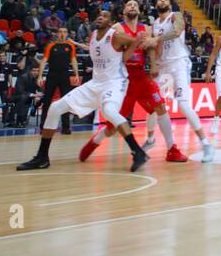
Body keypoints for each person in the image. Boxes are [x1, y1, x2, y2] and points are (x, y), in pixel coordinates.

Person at [16, 10, 149, 172]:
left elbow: (135, 41)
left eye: (105, 16)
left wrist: (135, 46)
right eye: (99, 14)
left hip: (114, 83)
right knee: (55, 108)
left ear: (111, 22)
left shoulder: (115, 36)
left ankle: (138, 152)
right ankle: (42, 157)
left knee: (110, 112)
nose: (100, 17)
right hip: (95, 83)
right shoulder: (93, 35)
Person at [80, 0, 187, 163]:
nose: (132, 6)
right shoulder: (117, 28)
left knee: (161, 107)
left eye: (135, 5)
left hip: (141, 76)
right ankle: (94, 142)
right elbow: (118, 56)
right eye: (129, 4)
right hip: (122, 79)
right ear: (123, 11)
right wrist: (135, 43)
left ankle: (172, 149)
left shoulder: (147, 28)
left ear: (139, 11)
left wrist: (152, 64)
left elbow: (151, 48)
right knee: (114, 125)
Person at [148, 0, 214, 162]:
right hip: (163, 67)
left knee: (184, 105)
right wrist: (153, 62)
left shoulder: (175, 16)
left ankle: (205, 144)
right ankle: (150, 139)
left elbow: (177, 32)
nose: (162, 1)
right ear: (156, 4)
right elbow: (155, 49)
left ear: (170, 5)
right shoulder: (154, 24)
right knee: (153, 103)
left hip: (178, 64)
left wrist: (157, 38)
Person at [36, 26, 79, 134]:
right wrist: (40, 76)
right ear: (57, 34)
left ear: (67, 33)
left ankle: (66, 128)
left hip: (65, 75)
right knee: (47, 100)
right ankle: (44, 126)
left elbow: (73, 60)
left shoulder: (71, 46)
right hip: (52, 75)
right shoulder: (51, 45)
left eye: (64, 32)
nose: (62, 34)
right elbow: (44, 61)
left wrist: (77, 74)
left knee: (66, 101)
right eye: (60, 32)